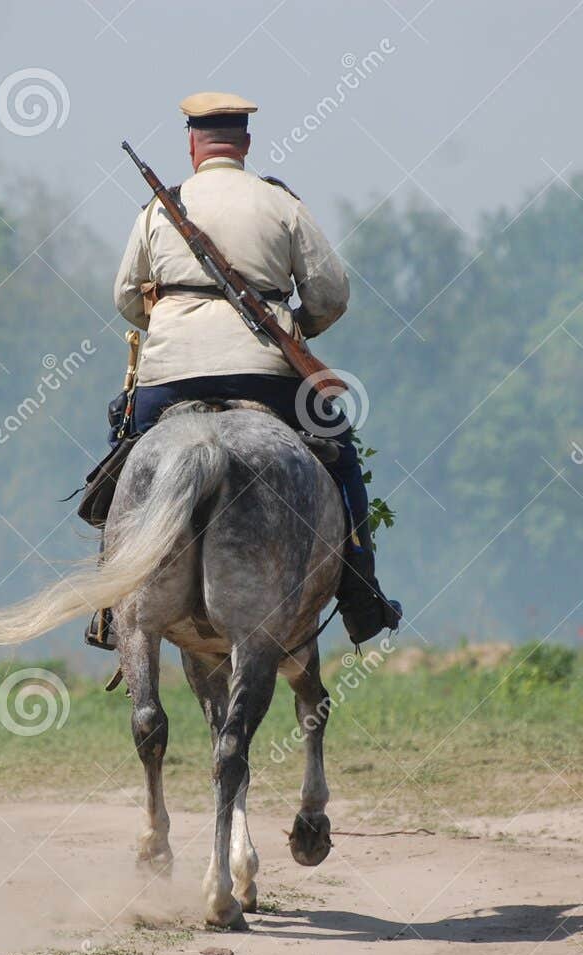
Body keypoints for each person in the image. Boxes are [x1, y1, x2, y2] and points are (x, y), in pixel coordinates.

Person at [87, 90, 401, 649]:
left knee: (124, 454)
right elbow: (330, 295)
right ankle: (361, 587)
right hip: (265, 373)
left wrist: (169, 319)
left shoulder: (162, 209)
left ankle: (112, 601)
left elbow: (126, 299)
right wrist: (292, 327)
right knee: (340, 446)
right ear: (246, 143)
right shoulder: (280, 204)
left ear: (193, 145)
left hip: (170, 376)